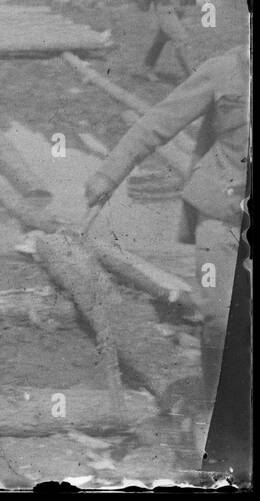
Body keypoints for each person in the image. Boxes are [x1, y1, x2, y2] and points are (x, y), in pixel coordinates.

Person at [84, 45, 249, 466]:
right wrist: (109, 173)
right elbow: (158, 122)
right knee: (219, 314)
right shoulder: (222, 70)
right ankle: (214, 411)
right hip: (221, 211)